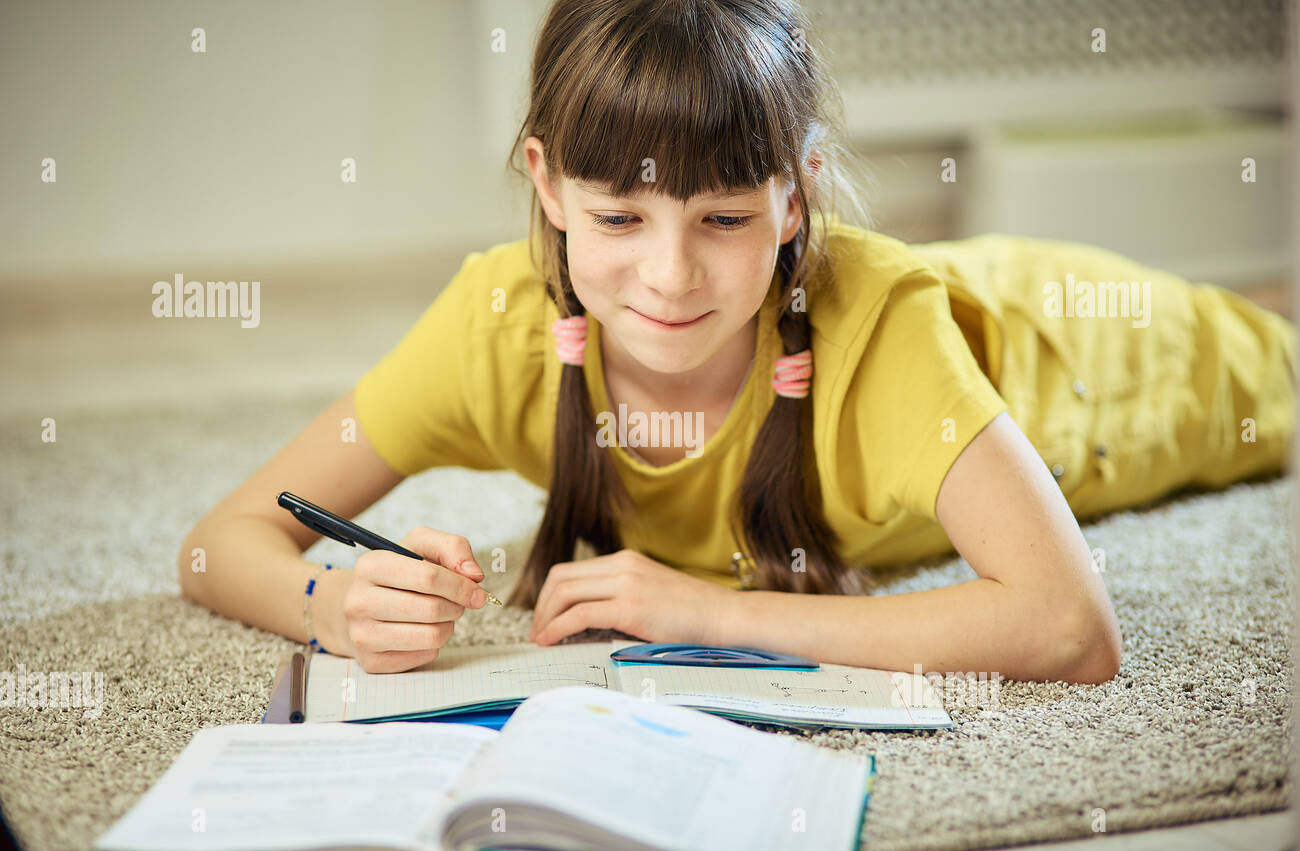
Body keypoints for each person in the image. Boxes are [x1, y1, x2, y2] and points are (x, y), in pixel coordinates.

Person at [178, 0, 1296, 685]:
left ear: (800, 192)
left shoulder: (882, 328)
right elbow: (222, 538)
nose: (668, 278)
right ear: (547, 185)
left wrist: (712, 613)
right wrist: (336, 604)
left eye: (722, 219)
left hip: (1103, 352)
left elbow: (1068, 627)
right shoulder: (498, 319)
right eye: (619, 218)